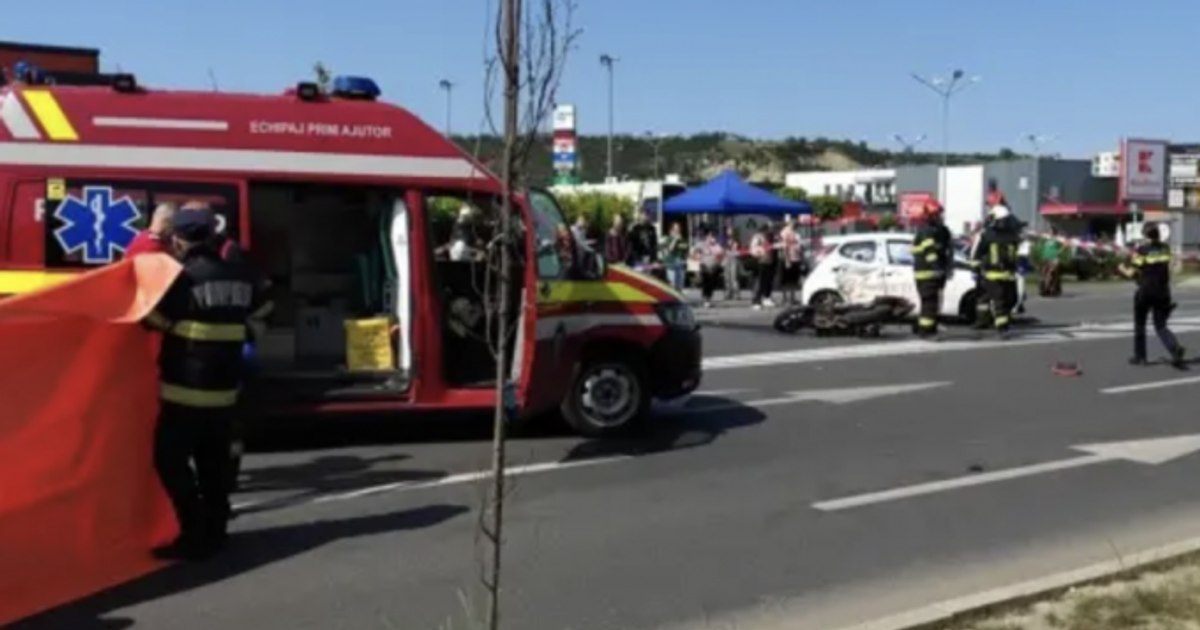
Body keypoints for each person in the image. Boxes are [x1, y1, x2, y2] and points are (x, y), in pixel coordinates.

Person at [142, 206, 266, 561]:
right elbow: (265, 310)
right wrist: (243, 333)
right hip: (225, 390)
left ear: (179, 239)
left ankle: (193, 530)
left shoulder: (180, 278)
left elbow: (150, 318)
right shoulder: (240, 276)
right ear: (212, 236)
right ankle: (216, 530)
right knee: (214, 465)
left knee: (169, 461)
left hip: (183, 391)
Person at [1122, 224, 1186, 367]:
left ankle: (1141, 357)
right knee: (1161, 326)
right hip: (1163, 292)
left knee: (1140, 324)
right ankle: (1174, 348)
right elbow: (1169, 266)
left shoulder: (1142, 250)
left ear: (1145, 236)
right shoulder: (1165, 248)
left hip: (1145, 291)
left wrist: (1121, 268)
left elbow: (1131, 273)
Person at [972, 200, 1022, 337]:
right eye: (1003, 220)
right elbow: (978, 253)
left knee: (1012, 298)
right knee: (999, 300)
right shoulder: (987, 235)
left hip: (1009, 274)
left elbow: (1016, 252)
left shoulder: (1012, 236)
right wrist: (976, 270)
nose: (1005, 223)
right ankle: (1002, 328)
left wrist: (1019, 264)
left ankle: (994, 321)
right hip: (992, 275)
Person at [911, 200, 953, 338]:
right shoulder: (925, 231)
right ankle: (926, 331)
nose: (939, 216)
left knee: (933, 303)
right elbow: (930, 253)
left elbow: (948, 250)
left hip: (936, 273)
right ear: (929, 215)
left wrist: (947, 268)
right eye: (936, 214)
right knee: (929, 303)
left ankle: (927, 327)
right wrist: (938, 268)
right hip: (926, 274)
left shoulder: (942, 231)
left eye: (940, 214)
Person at [692, 227, 724, 308]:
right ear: (706, 237)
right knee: (706, 280)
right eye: (710, 236)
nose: (712, 238)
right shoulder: (701, 244)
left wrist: (719, 261)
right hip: (704, 266)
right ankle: (706, 298)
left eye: (713, 236)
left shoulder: (717, 246)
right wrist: (695, 269)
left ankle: (708, 298)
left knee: (711, 283)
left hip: (713, 267)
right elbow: (693, 254)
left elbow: (721, 256)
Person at [779, 217, 805, 306]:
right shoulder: (785, 232)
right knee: (786, 280)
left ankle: (792, 298)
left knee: (794, 279)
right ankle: (785, 298)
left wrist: (801, 258)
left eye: (797, 224)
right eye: (794, 224)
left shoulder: (796, 232)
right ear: (790, 223)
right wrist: (787, 260)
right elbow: (784, 247)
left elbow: (800, 246)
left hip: (796, 258)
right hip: (788, 258)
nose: (796, 225)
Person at [750, 225, 777, 309]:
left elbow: (773, 247)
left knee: (768, 281)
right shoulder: (758, 237)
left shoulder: (770, 237)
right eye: (768, 230)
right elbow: (753, 249)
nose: (770, 231)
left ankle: (766, 298)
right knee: (760, 282)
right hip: (760, 262)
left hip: (769, 261)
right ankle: (756, 301)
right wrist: (759, 253)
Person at [661, 222, 689, 291]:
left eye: (678, 229)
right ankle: (671, 301)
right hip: (671, 264)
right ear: (672, 230)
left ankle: (678, 301)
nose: (677, 231)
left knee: (680, 286)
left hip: (681, 264)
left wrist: (685, 259)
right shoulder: (668, 239)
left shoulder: (683, 240)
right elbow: (670, 249)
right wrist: (675, 239)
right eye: (675, 229)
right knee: (672, 286)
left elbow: (686, 251)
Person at [722, 224, 742, 301]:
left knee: (734, 277)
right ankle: (728, 293)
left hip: (734, 258)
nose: (729, 231)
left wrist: (734, 245)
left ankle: (736, 293)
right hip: (726, 258)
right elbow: (723, 247)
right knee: (727, 277)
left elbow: (737, 248)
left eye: (731, 230)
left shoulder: (736, 239)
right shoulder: (724, 238)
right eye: (728, 230)